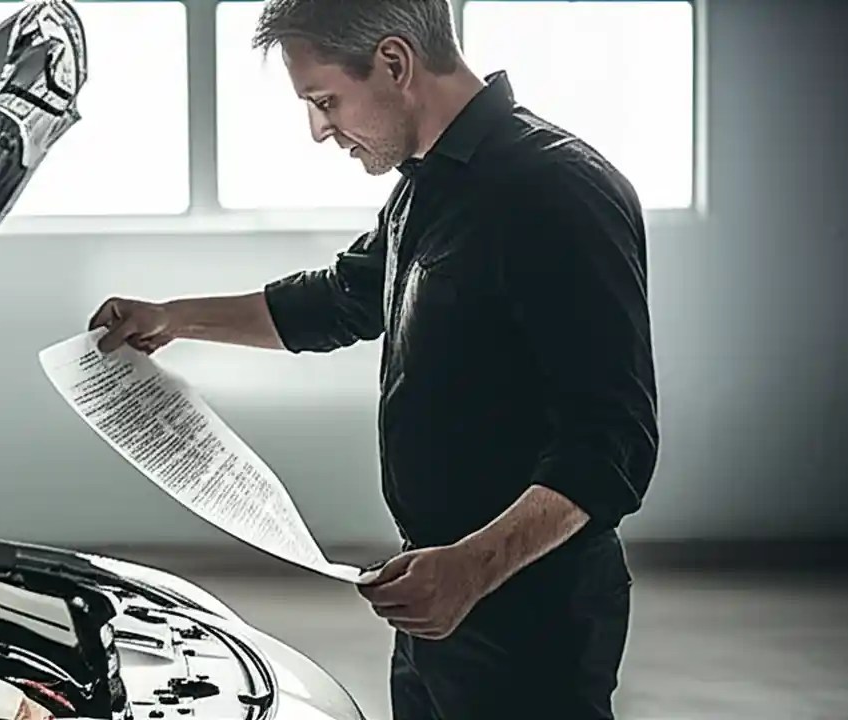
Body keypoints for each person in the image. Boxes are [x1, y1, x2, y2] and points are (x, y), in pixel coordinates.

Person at [87, 1, 660, 717]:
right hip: (433, 595)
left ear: (394, 62)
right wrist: (173, 318)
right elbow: (341, 300)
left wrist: (472, 569)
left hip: (527, 608)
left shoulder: (559, 192)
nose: (319, 129)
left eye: (325, 101)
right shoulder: (429, 182)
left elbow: (612, 444)